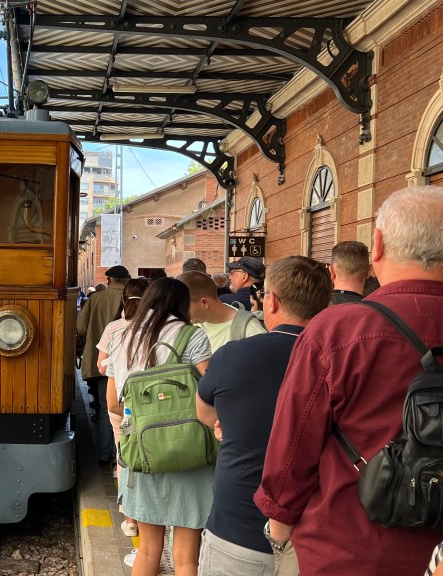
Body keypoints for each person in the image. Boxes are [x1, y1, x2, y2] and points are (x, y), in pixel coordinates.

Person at [255, 186, 443, 576]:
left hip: (349, 547)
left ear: (376, 247)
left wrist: (279, 525)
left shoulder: (340, 329)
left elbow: (294, 442)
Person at [195, 256, 332, 576]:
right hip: (314, 535)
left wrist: (229, 421)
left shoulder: (232, 354)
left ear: (271, 301)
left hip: (237, 524)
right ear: (325, 305)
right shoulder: (339, 361)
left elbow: (204, 413)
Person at [106, 277, 213, 576]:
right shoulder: (192, 336)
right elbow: (212, 389)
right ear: (181, 304)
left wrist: (135, 427)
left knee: (148, 551)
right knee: (186, 559)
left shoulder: (122, 338)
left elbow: (113, 403)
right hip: (189, 451)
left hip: (141, 452)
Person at [97, 277, 149, 537]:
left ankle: (130, 517)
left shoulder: (114, 328)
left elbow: (101, 364)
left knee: (125, 456)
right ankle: (150, 511)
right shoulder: (158, 328)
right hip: (150, 406)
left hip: (122, 407)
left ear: (124, 300)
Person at [78, 266, 131, 461]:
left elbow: (81, 328)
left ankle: (104, 453)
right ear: (127, 279)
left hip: (100, 360)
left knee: (104, 406)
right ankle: (123, 455)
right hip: (128, 362)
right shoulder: (132, 299)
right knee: (128, 408)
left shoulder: (95, 299)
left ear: (108, 279)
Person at [180, 271, 266, 351]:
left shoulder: (249, 329)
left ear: (204, 302)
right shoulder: (188, 326)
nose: (182, 312)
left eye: (185, 307)